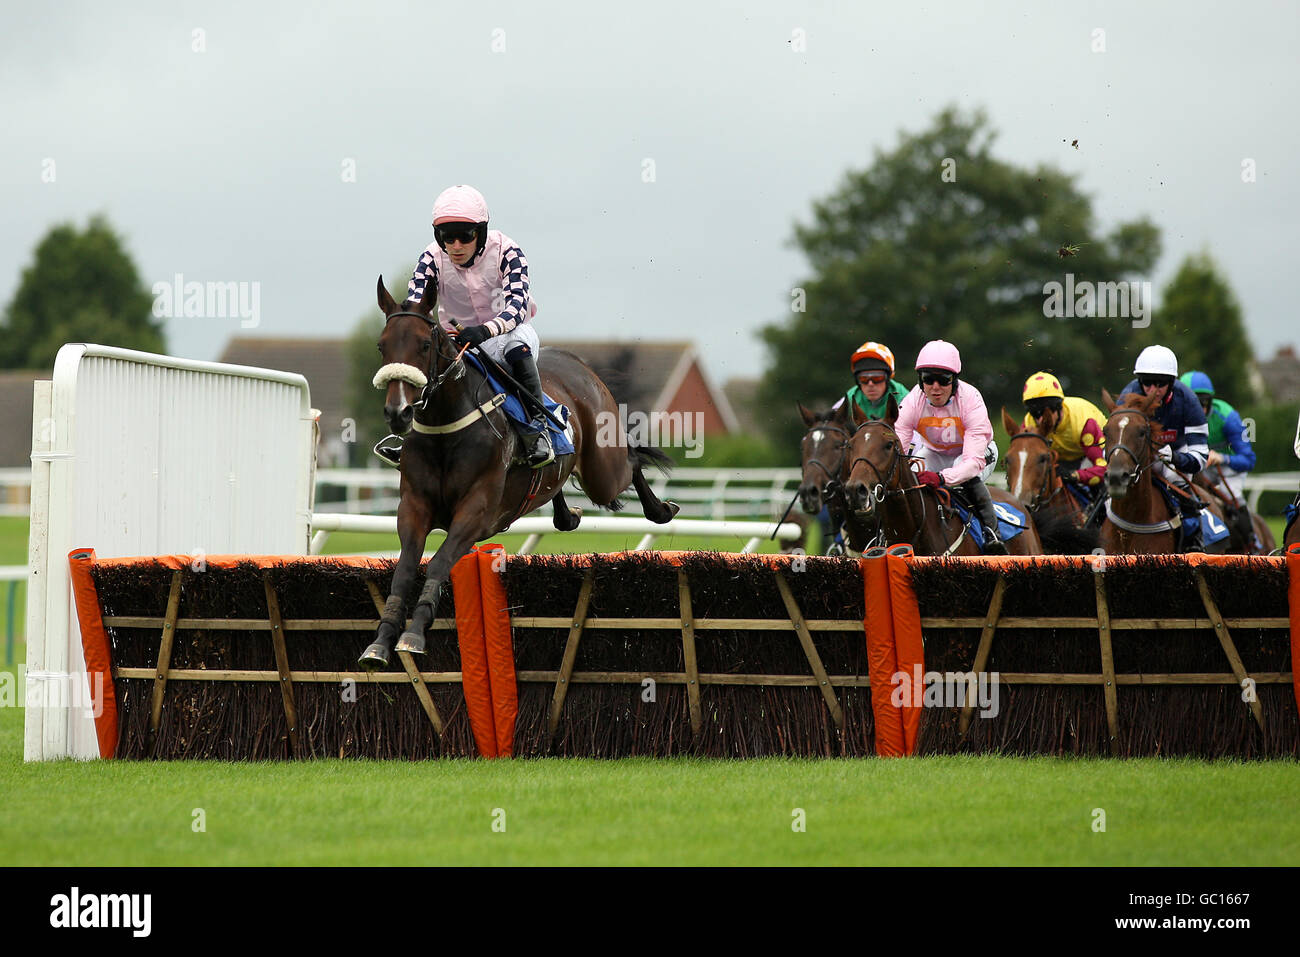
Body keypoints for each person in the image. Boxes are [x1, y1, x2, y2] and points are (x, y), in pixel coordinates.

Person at [380, 184, 552, 468]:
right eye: (448, 238)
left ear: (480, 233)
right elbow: (415, 305)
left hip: (507, 334)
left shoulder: (508, 252)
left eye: (465, 236)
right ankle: (409, 436)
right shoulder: (430, 258)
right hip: (455, 340)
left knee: (516, 347)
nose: (456, 246)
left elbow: (518, 306)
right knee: (422, 354)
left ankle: (538, 428)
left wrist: (486, 330)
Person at [893, 340, 1008, 554]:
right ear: (920, 381)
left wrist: (942, 478)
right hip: (935, 451)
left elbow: (972, 463)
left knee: (965, 475)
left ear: (954, 380)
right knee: (909, 476)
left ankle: (991, 533)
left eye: (943, 380)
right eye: (928, 379)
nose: (935, 387)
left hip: (976, 452)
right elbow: (899, 451)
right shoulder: (911, 402)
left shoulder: (971, 400)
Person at [1117, 345, 1210, 548]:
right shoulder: (1128, 395)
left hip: (1176, 455)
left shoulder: (1188, 400)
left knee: (1177, 480)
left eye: (1160, 384)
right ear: (1139, 381)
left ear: (1172, 382)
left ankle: (1193, 542)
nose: (1153, 390)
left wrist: (1176, 459)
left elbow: (1201, 456)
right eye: (1147, 383)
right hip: (1140, 457)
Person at [1179, 370, 1258, 544]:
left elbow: (1249, 460)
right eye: (1191, 403)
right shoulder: (1175, 415)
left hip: (1228, 469)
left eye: (1202, 403)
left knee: (1234, 497)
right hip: (1198, 467)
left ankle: (1253, 542)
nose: (1197, 409)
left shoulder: (1228, 417)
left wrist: (1222, 458)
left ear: (1210, 402)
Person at [1020, 371, 1108, 503]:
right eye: (1035, 413)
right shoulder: (1028, 423)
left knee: (1102, 492)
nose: (1041, 420)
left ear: (1058, 407)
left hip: (1089, 455)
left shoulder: (1084, 422)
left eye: (1046, 412)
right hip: (1060, 459)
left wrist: (1073, 475)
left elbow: (1104, 469)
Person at [833, 341, 911, 421]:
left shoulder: (904, 399)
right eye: (864, 378)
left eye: (877, 378)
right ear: (857, 381)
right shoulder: (850, 398)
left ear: (888, 378)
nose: (870, 384)